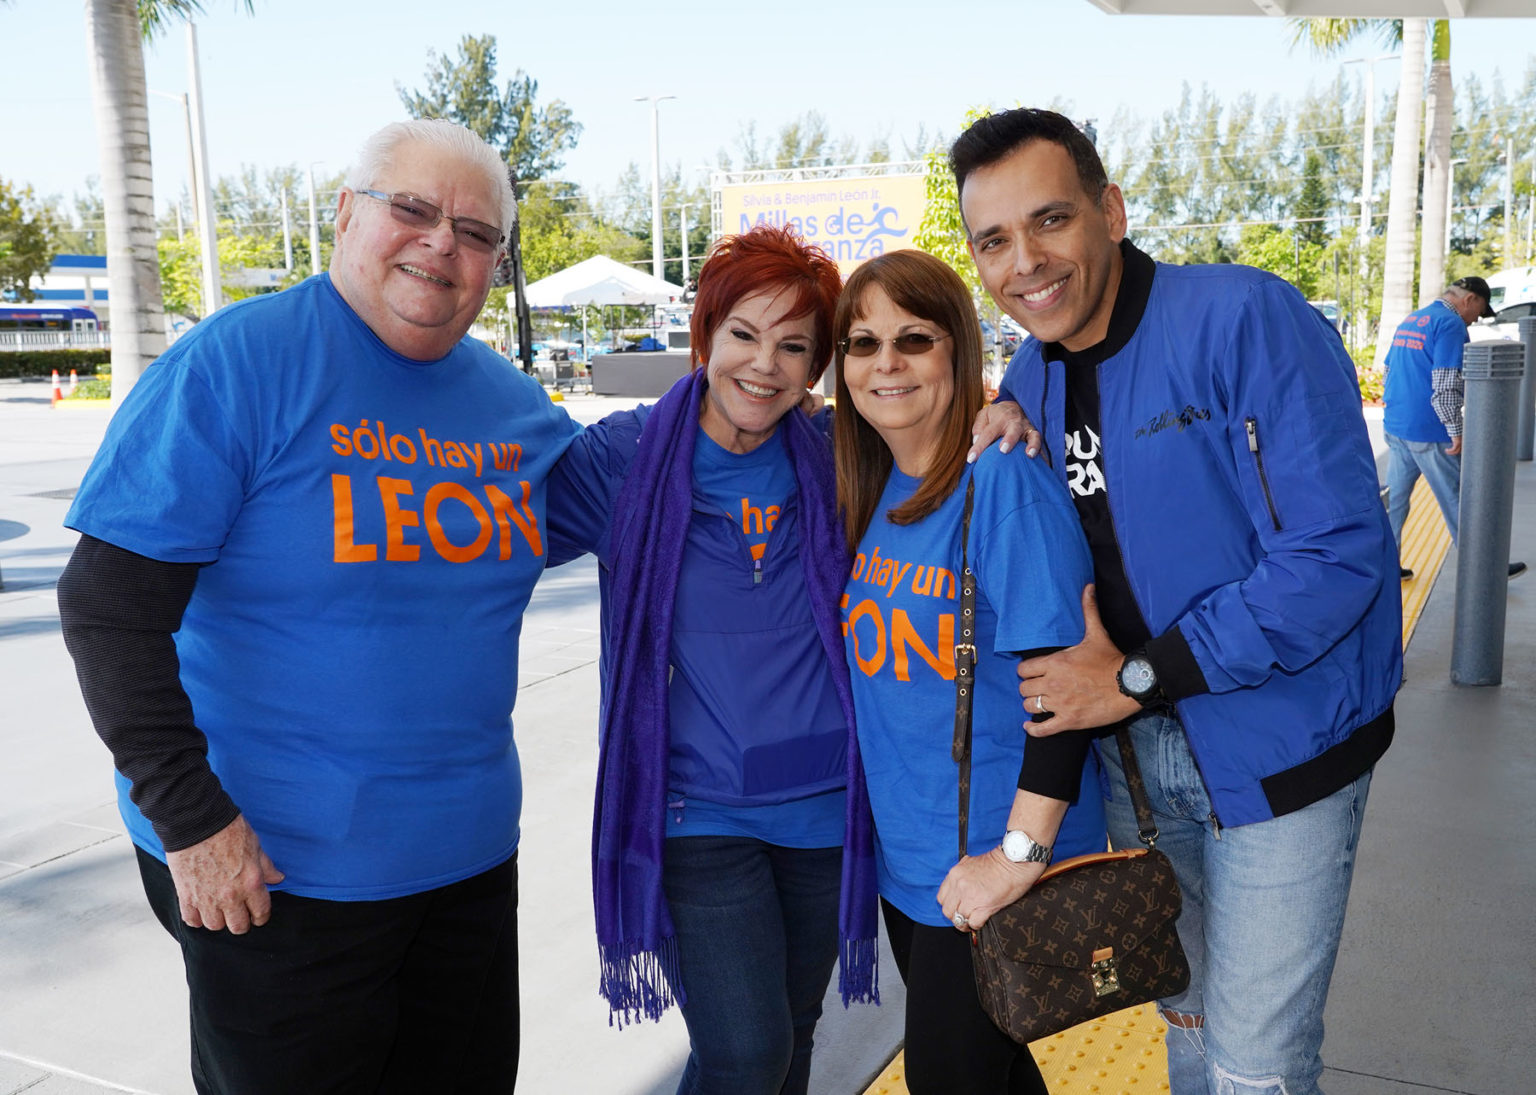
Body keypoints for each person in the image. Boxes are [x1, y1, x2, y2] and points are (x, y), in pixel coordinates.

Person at [56, 119, 579, 1093]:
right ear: (346, 215)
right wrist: (193, 824)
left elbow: (676, 481)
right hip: (273, 877)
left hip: (462, 869)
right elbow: (107, 609)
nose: (440, 244)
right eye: (413, 210)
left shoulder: (515, 412)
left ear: (496, 266)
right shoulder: (235, 366)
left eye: (475, 233)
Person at [950, 107, 1403, 1095]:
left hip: (1283, 750)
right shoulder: (1032, 373)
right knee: (1185, 1014)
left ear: (1110, 211)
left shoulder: (1244, 317)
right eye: (994, 240)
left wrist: (1140, 676)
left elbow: (1335, 556)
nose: (1024, 261)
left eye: (1050, 220)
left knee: (1255, 1067)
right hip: (1140, 769)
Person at [834, 248, 1107, 1095]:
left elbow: (1068, 693)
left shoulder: (1003, 485)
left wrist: (1016, 856)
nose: (885, 364)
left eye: (913, 339)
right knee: (988, 1074)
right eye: (862, 342)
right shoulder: (872, 482)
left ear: (957, 348)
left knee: (951, 1078)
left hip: (995, 857)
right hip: (914, 858)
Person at [1382, 274, 1526, 580]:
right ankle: (1486, 572)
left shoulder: (1414, 319)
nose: (1475, 321)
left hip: (1397, 425)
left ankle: (1385, 567)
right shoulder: (1450, 325)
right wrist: (1456, 430)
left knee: (1393, 502)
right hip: (1429, 429)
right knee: (1461, 500)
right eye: (1480, 311)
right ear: (1469, 299)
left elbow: (1388, 368)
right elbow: (1446, 385)